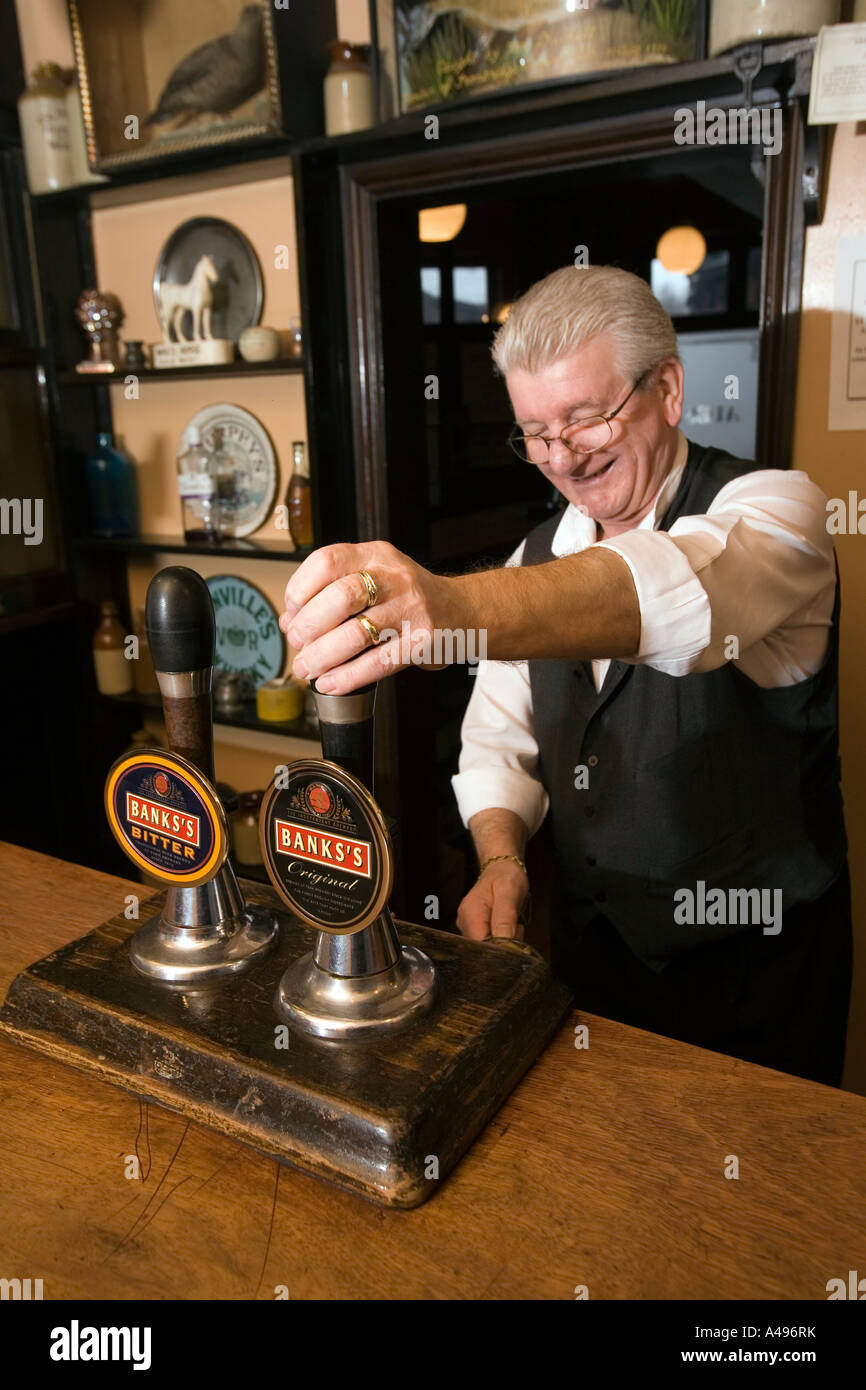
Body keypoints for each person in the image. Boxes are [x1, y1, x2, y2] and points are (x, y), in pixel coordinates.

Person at [280, 265, 852, 1087]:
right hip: (592, 960)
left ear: (668, 389)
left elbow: (682, 593)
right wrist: (503, 859)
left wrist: (444, 605)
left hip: (758, 978)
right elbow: (495, 744)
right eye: (535, 434)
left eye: (585, 419)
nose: (562, 459)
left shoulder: (779, 512)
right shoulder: (535, 555)